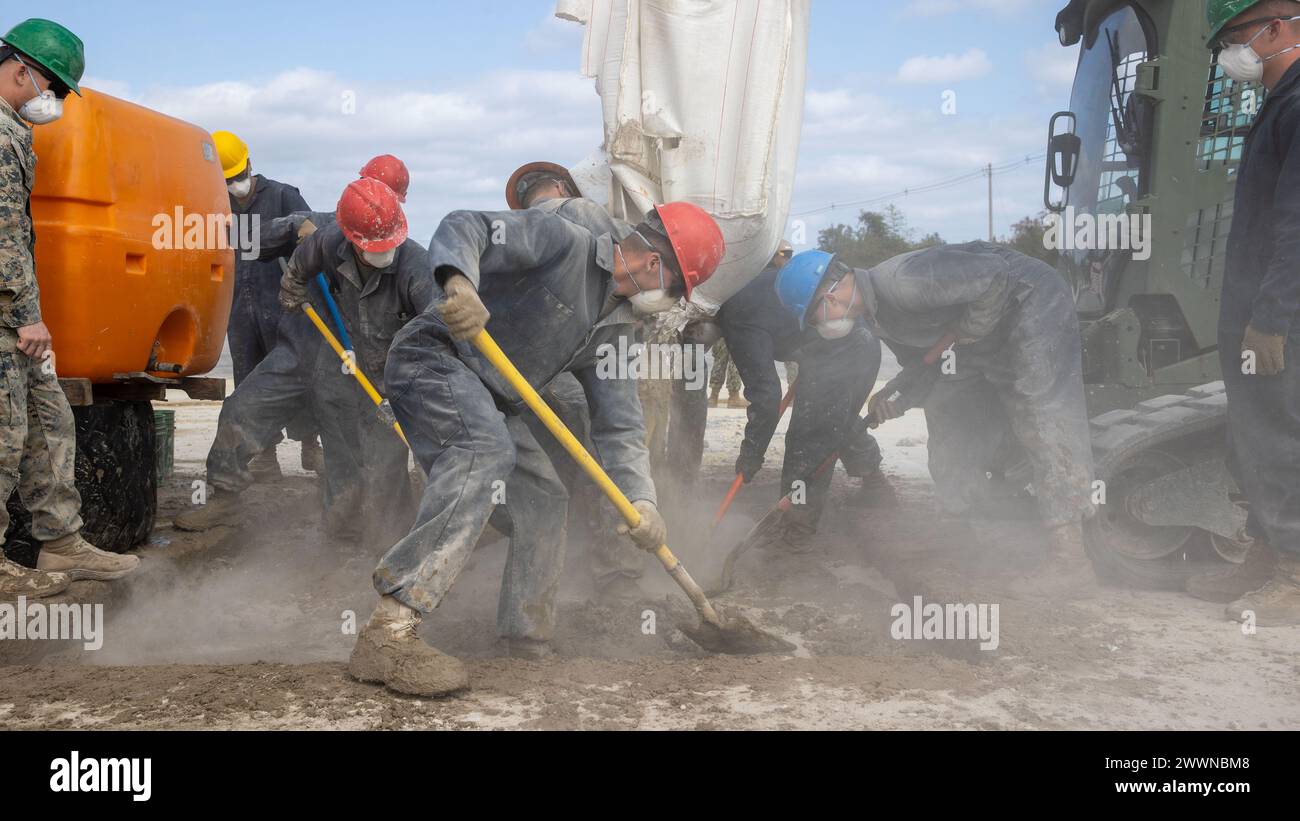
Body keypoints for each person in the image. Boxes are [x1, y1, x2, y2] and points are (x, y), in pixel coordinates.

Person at [348, 201, 724, 697]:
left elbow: (620, 426)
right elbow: (468, 225)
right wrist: (460, 284)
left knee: (544, 499)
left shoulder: (614, 328)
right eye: (677, 291)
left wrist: (643, 499)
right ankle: (389, 631)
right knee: (486, 451)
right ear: (657, 266)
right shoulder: (563, 241)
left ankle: (524, 640)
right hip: (434, 359)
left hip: (496, 396)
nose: (671, 302)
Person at [174, 179, 427, 549]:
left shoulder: (416, 265)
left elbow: (434, 334)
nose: (380, 248)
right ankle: (225, 499)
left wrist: (407, 391)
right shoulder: (327, 236)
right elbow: (261, 249)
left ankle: (374, 537)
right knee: (241, 410)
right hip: (301, 352)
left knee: (363, 462)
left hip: (358, 374)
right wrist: (292, 242)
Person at [858, 242, 1097, 597]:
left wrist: (968, 329)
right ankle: (959, 535)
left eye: (821, 310)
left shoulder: (901, 281)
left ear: (836, 288)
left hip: (1029, 302)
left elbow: (993, 275)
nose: (826, 320)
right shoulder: (875, 319)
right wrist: (898, 396)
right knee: (947, 410)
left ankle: (1071, 562)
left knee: (1041, 413)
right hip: (981, 334)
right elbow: (927, 367)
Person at [0, 18, 138, 598]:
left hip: (17, 317)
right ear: (19, 71)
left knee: (51, 420)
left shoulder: (13, 132)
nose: (50, 100)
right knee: (4, 438)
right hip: (9, 315)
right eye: (51, 87)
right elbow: (4, 233)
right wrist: (25, 311)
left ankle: (60, 543)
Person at [1189, 0, 1300, 624]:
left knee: (1284, 435)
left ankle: (1294, 573)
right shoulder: (1279, 107)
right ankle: (1267, 552)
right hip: (1260, 307)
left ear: (1274, 27)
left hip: (1284, 312)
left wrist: (1275, 317)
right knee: (1255, 434)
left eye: (1231, 38)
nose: (1228, 55)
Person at [503, 160, 648, 603]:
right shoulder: (591, 214)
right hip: (596, 343)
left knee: (544, 465)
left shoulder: (519, 225)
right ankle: (615, 565)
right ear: (564, 184)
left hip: (530, 362)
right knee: (609, 443)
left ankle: (547, 559)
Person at [719, 249, 888, 552]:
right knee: (837, 420)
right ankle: (874, 482)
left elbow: (766, 395)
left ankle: (795, 528)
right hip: (855, 342)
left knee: (809, 436)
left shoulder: (734, 315)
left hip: (841, 347)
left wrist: (751, 453)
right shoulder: (748, 285)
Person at [211, 129, 320, 479]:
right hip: (240, 311)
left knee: (298, 373)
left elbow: (310, 241)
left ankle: (310, 446)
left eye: (239, 176)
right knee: (249, 381)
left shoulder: (284, 196)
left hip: (284, 305)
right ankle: (266, 456)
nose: (235, 185)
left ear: (250, 164)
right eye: (227, 180)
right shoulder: (216, 205)